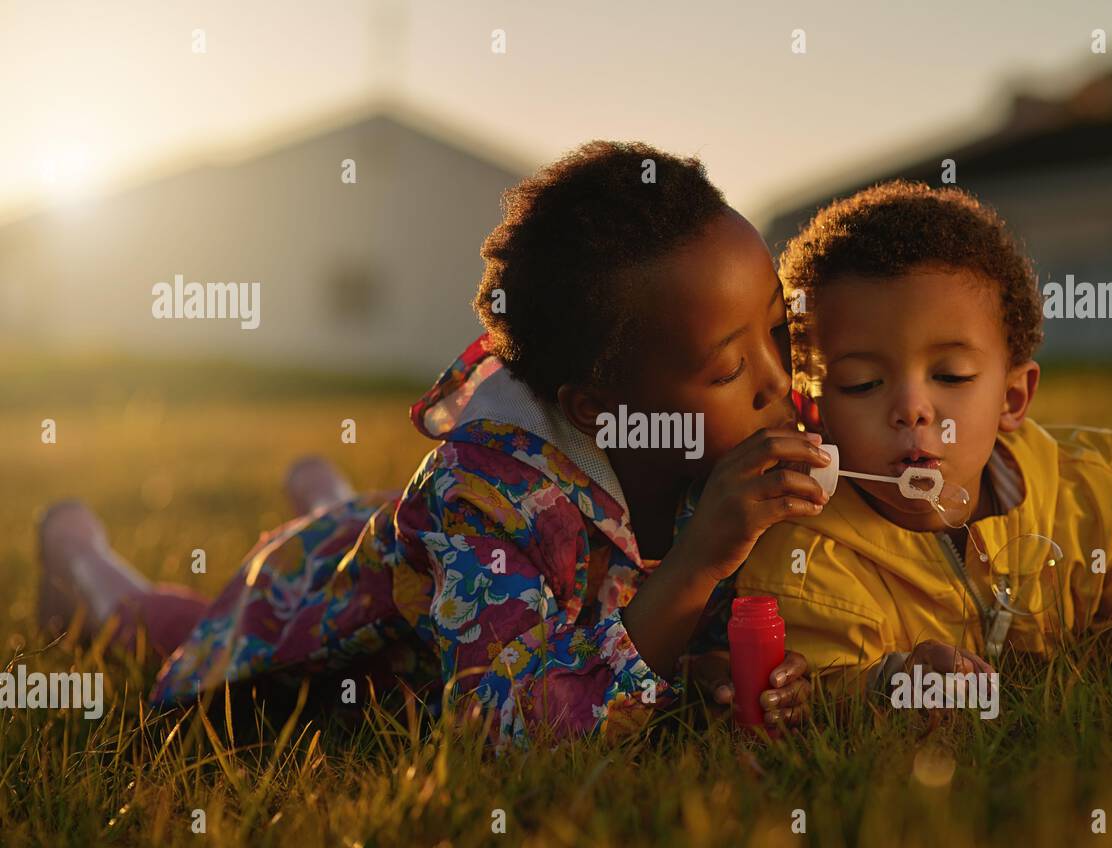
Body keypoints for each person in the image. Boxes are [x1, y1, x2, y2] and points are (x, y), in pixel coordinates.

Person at [36, 141, 828, 750]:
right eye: (730, 367)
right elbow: (510, 731)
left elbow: (666, 634)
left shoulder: (710, 466)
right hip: (312, 608)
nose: (776, 379)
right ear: (596, 407)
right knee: (188, 622)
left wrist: (725, 668)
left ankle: (329, 495)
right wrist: (698, 564)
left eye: (774, 330)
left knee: (370, 525)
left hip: (408, 547)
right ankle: (83, 558)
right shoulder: (480, 499)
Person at [735, 180, 1112, 694]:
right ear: (815, 410)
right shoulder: (808, 555)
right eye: (862, 384)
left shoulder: (1095, 493)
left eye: (950, 375)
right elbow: (818, 682)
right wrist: (894, 683)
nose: (911, 410)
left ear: (1013, 398)